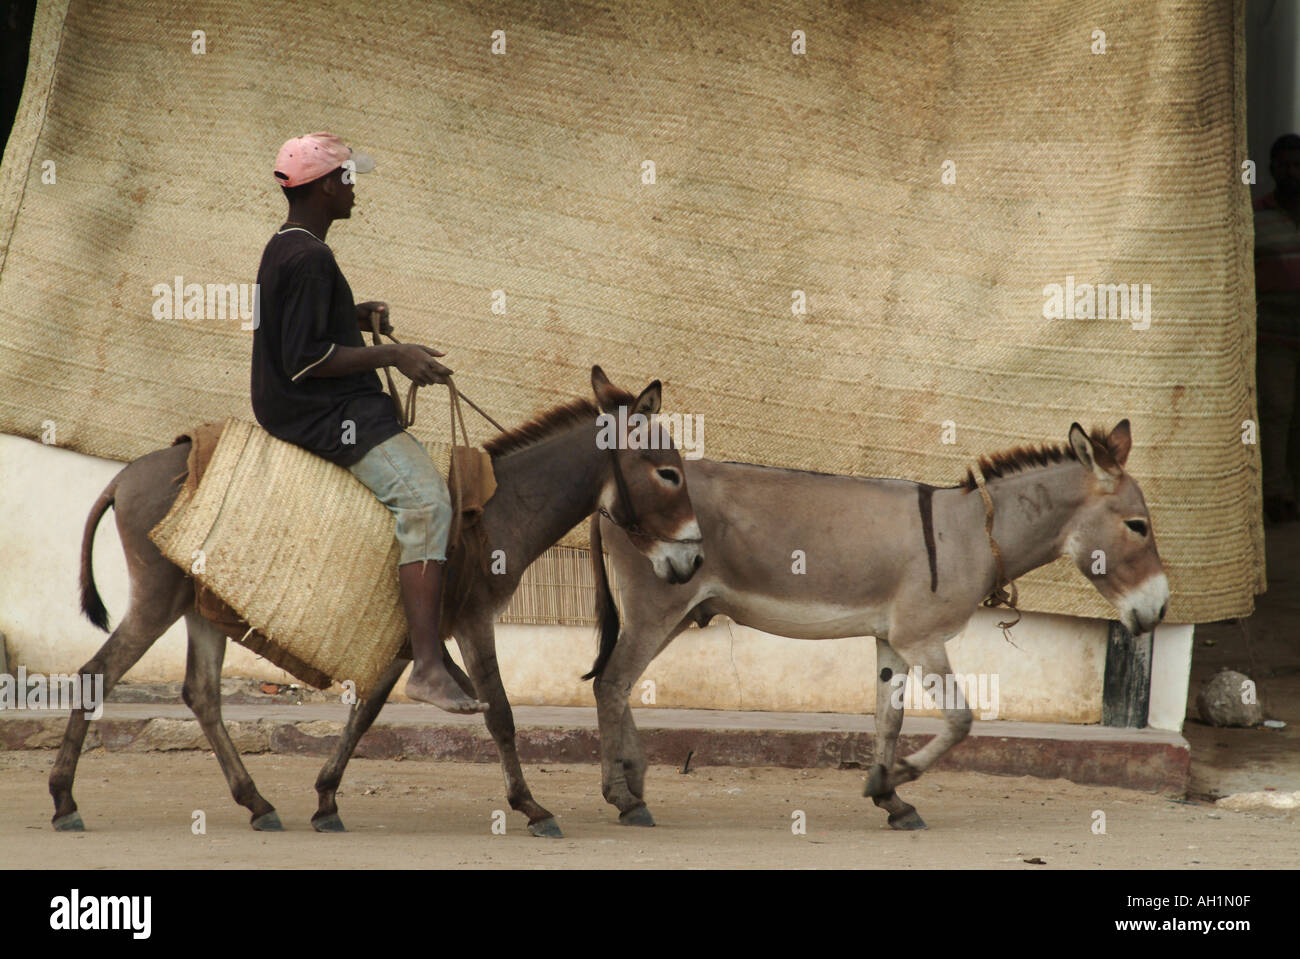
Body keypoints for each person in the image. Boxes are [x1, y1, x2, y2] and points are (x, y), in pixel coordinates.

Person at [251, 131, 487, 712]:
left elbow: (299, 327)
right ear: (327, 185)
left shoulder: (288, 245)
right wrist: (392, 354)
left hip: (304, 402)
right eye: (349, 178)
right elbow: (306, 360)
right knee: (428, 503)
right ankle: (427, 667)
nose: (356, 189)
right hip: (321, 411)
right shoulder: (311, 257)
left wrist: (350, 316)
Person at [1255, 133, 1300, 525]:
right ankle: (1275, 494)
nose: (1291, 172)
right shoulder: (1257, 215)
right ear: (1271, 168)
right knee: (1276, 411)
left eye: (1297, 164)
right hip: (1274, 334)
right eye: (1283, 164)